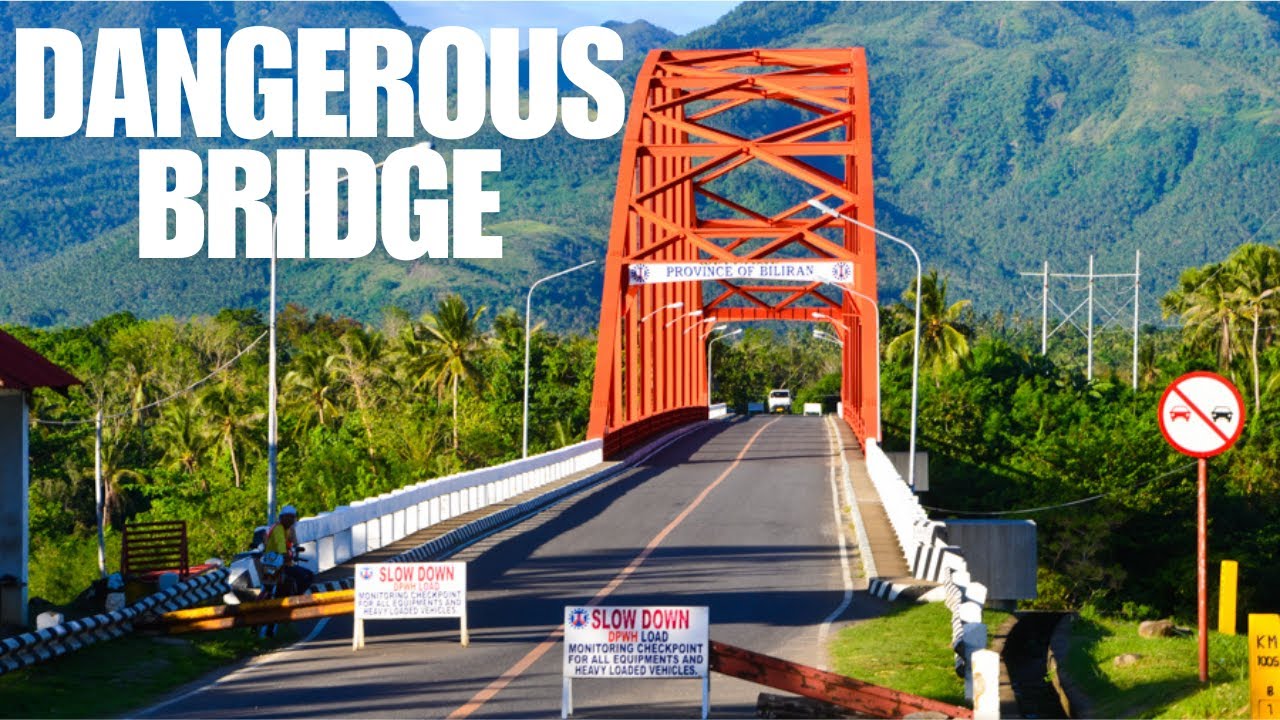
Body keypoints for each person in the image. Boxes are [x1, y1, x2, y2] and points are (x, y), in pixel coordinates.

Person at [262, 504, 313, 596]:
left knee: (308, 575)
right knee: (305, 576)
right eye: (287, 517)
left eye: (292, 517)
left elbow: (293, 542)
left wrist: (294, 549)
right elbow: (280, 543)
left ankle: (295, 595)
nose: (290, 520)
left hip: (282, 562)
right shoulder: (278, 528)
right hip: (275, 563)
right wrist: (285, 554)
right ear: (281, 517)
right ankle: (296, 598)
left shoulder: (288, 529)